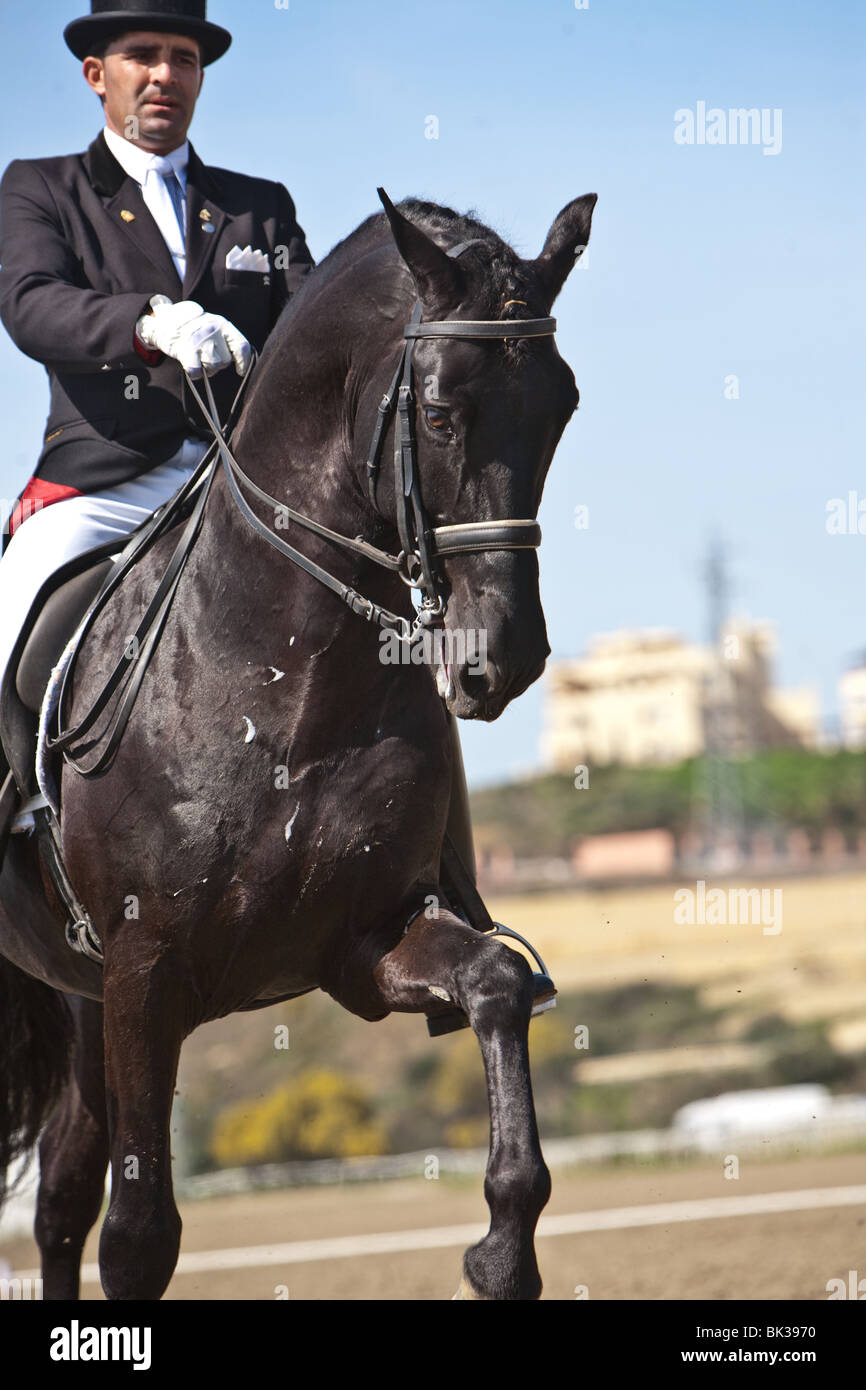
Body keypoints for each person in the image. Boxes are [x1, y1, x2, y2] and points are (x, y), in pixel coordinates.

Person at [0, 0, 314, 705]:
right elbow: (30, 304)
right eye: (143, 55)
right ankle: (13, 807)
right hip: (107, 485)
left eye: (185, 59)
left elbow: (314, 336)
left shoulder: (260, 207)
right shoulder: (42, 187)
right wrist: (148, 324)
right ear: (95, 73)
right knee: (7, 617)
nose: (164, 75)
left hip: (243, 483)